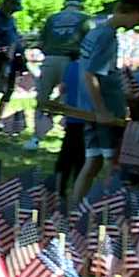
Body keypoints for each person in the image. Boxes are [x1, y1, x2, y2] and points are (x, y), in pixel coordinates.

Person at [71, 0, 139, 206]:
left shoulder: (96, 31)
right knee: (115, 165)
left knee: (92, 162)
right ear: (133, 11)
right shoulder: (107, 36)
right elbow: (90, 74)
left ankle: (75, 211)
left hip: (90, 108)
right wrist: (102, 111)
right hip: (105, 111)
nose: (138, 24)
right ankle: (114, 212)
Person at [26, 0, 90, 150]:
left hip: (49, 60)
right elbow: (90, 43)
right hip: (72, 62)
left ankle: (36, 137)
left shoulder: (52, 18)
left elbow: (42, 41)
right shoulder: (85, 19)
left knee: (42, 98)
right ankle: (70, 137)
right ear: (79, 6)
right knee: (70, 100)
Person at [53, 60, 86, 200]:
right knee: (81, 159)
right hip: (86, 119)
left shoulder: (72, 66)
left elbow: (63, 88)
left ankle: (59, 189)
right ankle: (77, 193)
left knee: (67, 156)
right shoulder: (96, 68)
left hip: (73, 116)